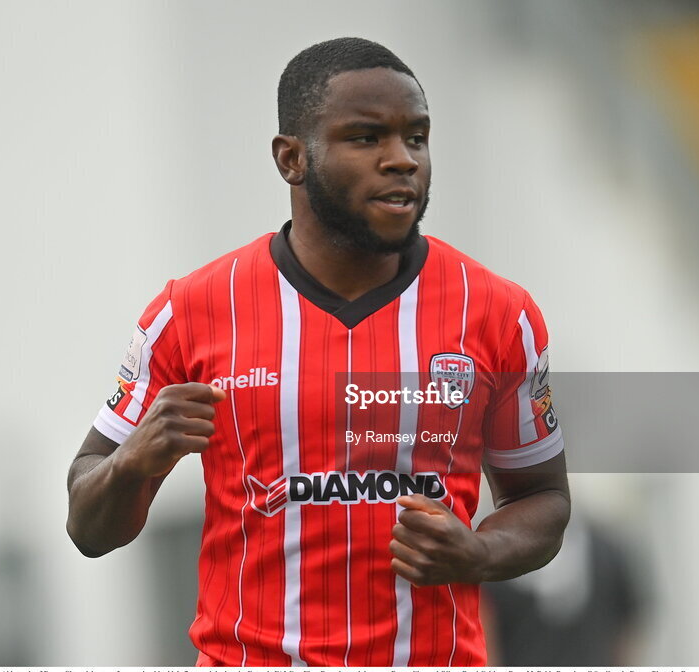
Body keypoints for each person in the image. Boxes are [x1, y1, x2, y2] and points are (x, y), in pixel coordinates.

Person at [66, 37, 571, 666]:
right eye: (366, 137)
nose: (402, 159)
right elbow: (87, 527)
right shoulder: (191, 311)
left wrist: (481, 552)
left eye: (416, 137)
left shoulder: (497, 312)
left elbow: (542, 498)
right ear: (291, 159)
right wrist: (130, 463)